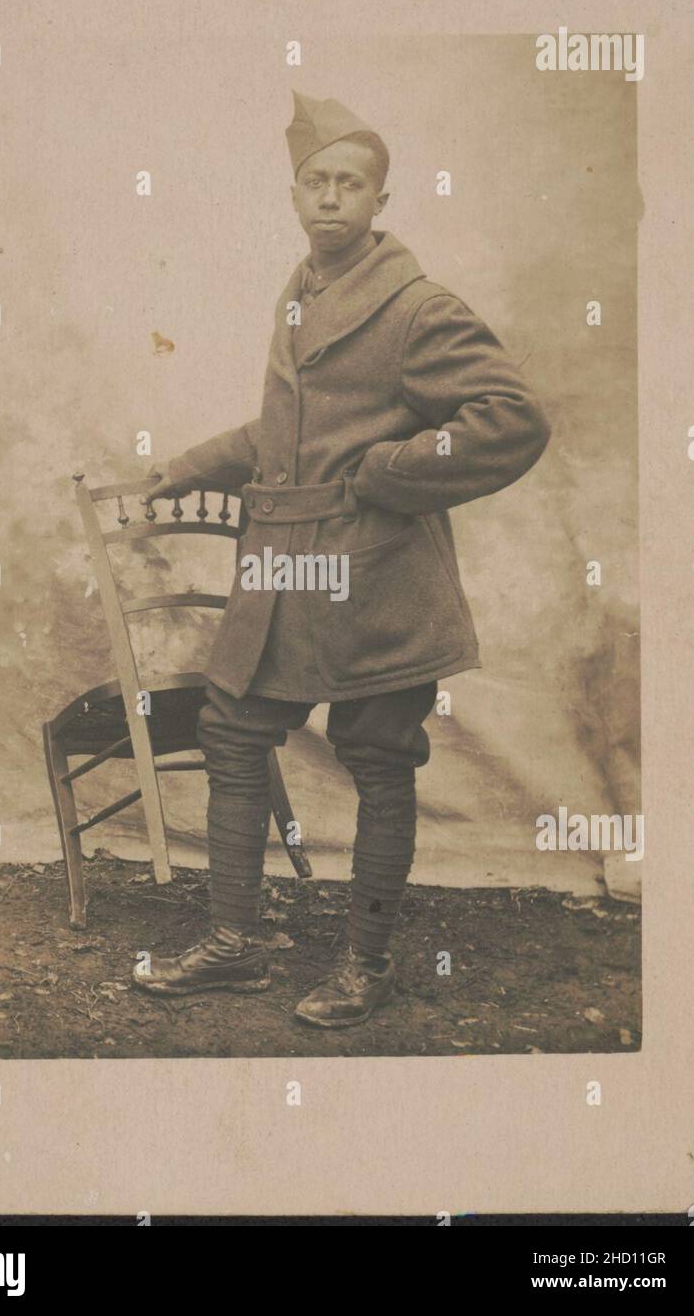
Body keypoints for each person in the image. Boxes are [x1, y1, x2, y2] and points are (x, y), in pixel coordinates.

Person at [131, 91, 551, 1027]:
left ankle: (367, 965)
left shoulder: (414, 308)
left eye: (349, 183)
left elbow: (513, 419)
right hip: (283, 572)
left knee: (376, 755)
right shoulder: (302, 294)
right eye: (316, 181)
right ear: (293, 193)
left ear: (379, 200)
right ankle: (233, 948)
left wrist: (393, 471)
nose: (331, 198)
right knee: (233, 733)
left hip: (377, 578)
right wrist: (191, 466)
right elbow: (287, 431)